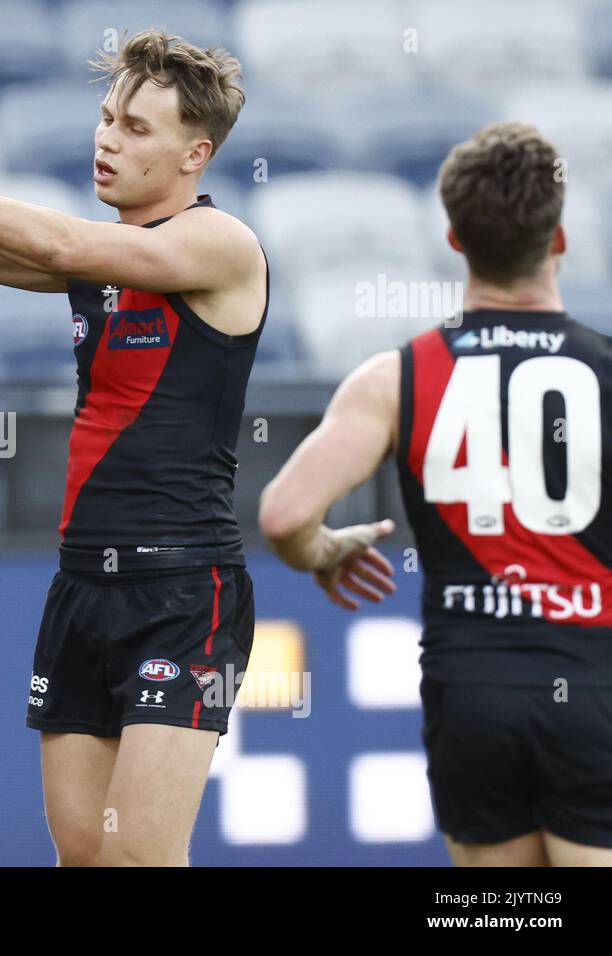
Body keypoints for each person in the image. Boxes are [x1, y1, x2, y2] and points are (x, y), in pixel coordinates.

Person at [0, 29, 267, 866]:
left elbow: (66, 244)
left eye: (137, 127)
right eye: (107, 118)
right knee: (83, 857)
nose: (107, 138)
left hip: (183, 589)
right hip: (82, 583)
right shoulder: (100, 258)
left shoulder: (220, 246)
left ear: (196, 153)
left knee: (141, 855)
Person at [259, 122, 612, 867]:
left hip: (471, 692)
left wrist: (325, 550)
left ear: (452, 239)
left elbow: (285, 515)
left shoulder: (396, 376)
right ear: (560, 239)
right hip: (592, 686)